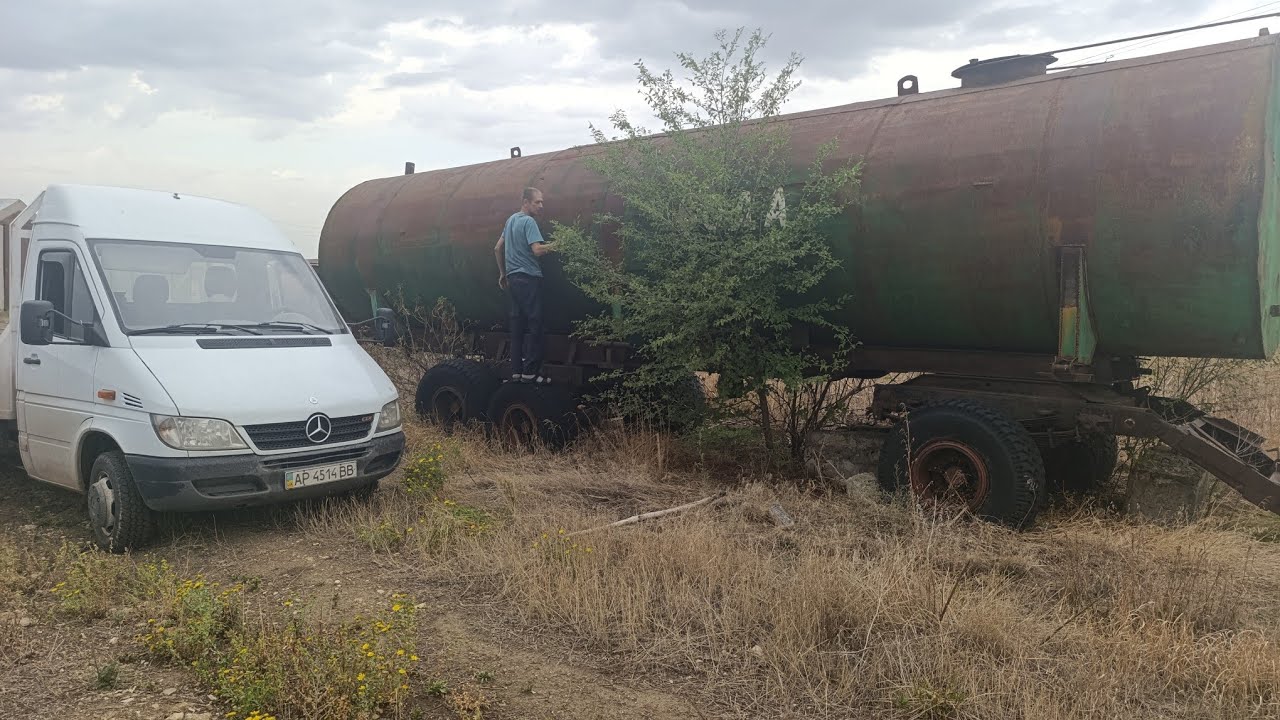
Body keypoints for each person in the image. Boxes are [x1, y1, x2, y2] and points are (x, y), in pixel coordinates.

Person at [494, 187, 556, 384]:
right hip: (529, 278)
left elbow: (497, 248)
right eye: (537, 202)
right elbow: (537, 250)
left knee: (517, 326)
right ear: (526, 202)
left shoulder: (511, 220)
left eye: (542, 202)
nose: (541, 206)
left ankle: (516, 372)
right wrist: (558, 244)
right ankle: (531, 373)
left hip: (513, 280)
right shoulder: (529, 222)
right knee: (535, 324)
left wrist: (503, 273)